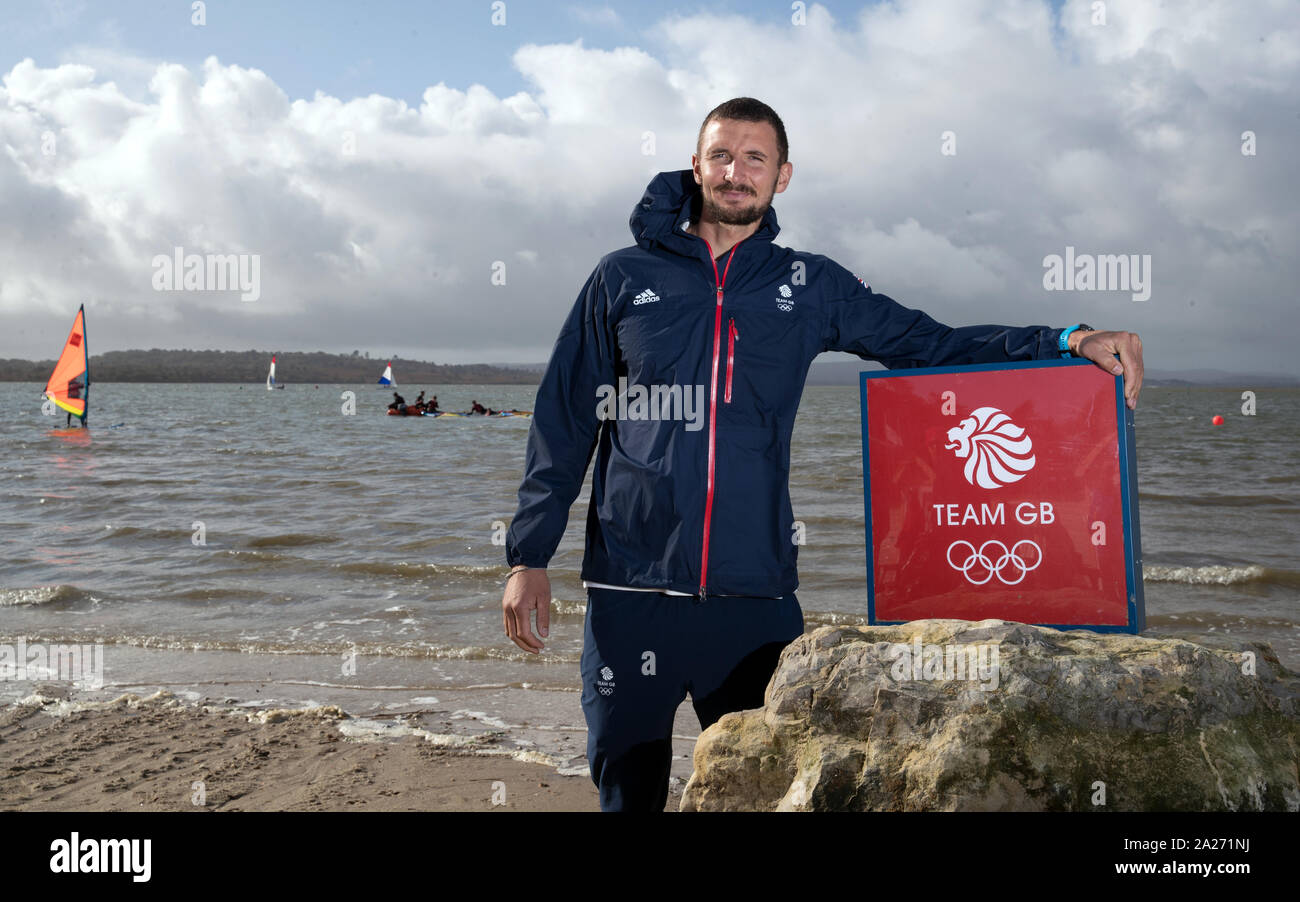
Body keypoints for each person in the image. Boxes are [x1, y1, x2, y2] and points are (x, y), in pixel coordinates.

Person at [501, 97, 1144, 812]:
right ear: (695, 166)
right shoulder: (620, 277)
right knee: (627, 793)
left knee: (765, 793)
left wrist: (1065, 340)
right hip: (629, 590)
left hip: (755, 597)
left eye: (755, 158)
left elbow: (928, 343)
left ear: (783, 176)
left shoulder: (807, 285)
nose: (735, 171)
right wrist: (530, 558)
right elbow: (564, 420)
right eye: (721, 155)